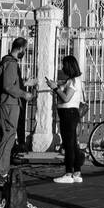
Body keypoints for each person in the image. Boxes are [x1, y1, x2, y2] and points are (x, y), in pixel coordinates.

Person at [0, 37, 33, 185]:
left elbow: (11, 83)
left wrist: (26, 83)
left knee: (8, 137)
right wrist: (24, 94)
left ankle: (1, 171)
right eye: (25, 50)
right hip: (10, 104)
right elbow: (8, 86)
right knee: (8, 138)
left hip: (9, 103)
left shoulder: (7, 62)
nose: (25, 53)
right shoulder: (11, 63)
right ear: (20, 48)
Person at [46, 55, 85, 184]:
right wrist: (57, 85)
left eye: (64, 65)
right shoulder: (71, 81)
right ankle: (76, 172)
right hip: (68, 113)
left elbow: (66, 98)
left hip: (68, 113)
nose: (62, 68)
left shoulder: (73, 81)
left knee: (68, 144)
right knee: (72, 143)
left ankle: (69, 172)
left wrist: (55, 88)